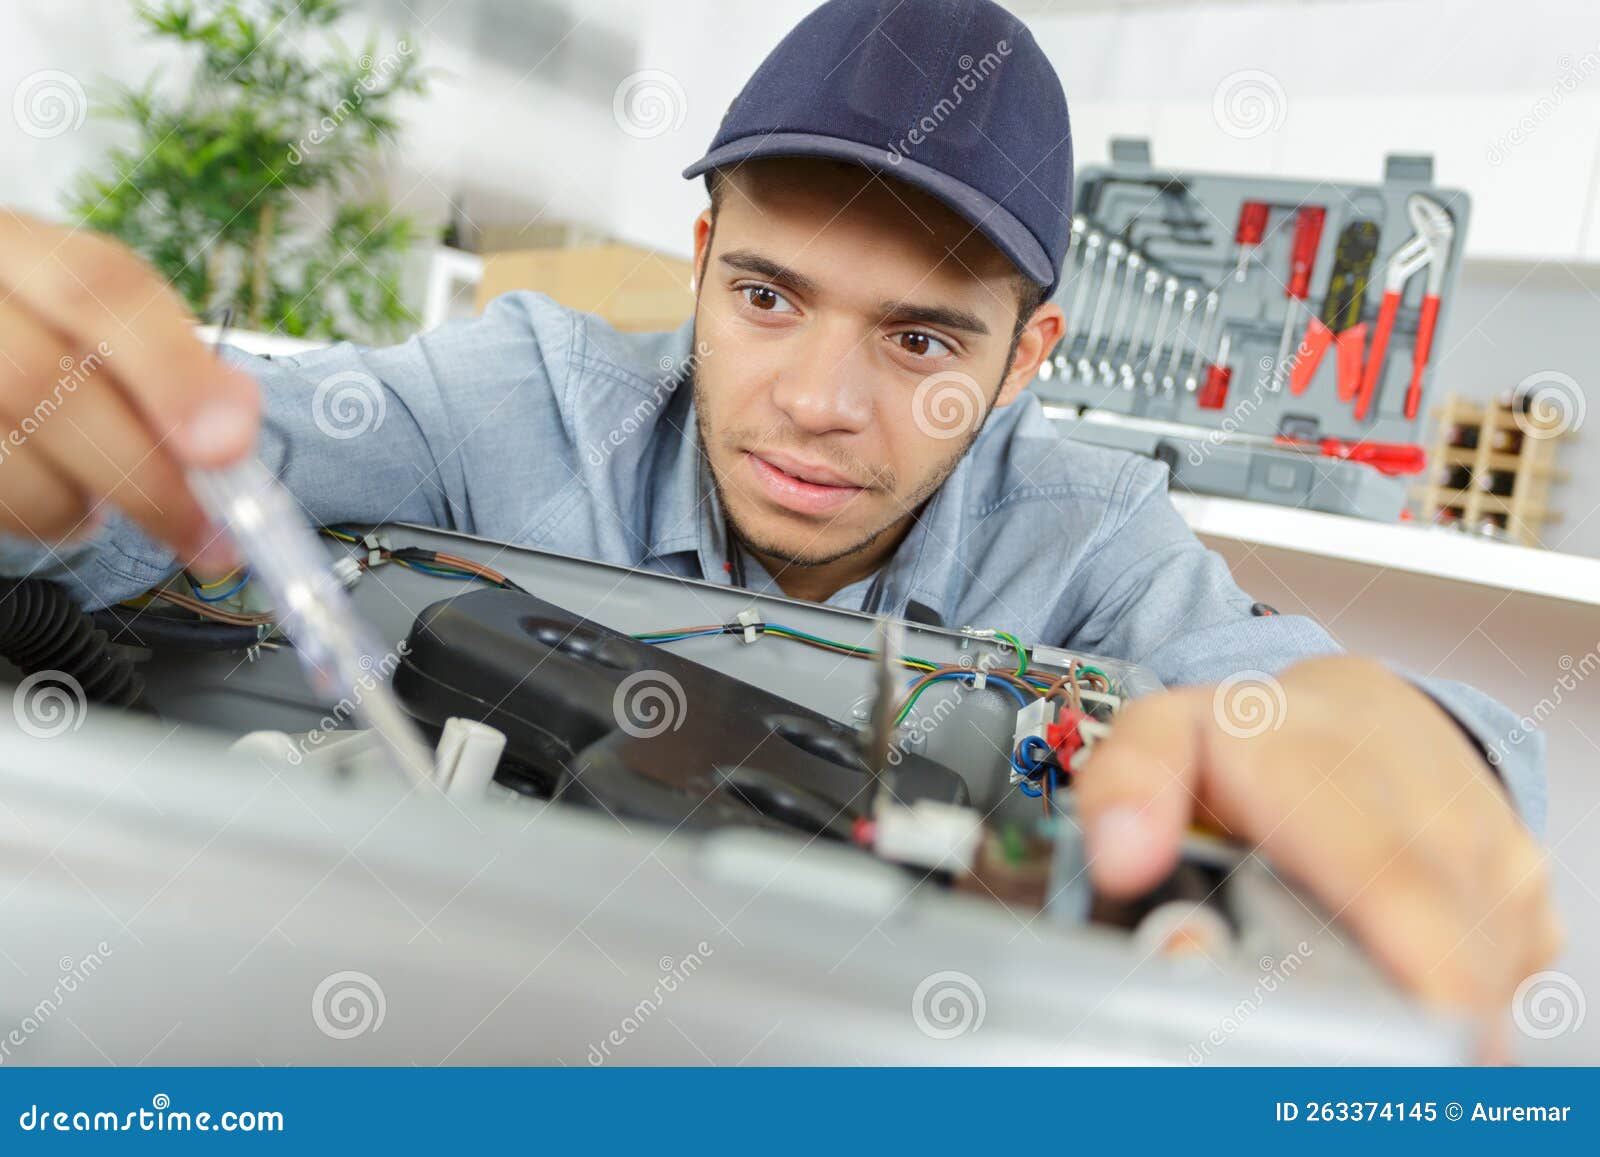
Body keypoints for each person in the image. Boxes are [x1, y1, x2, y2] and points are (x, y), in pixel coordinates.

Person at [0, 0, 1557, 1041]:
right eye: (765, 296)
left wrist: (1421, 744)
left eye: (923, 341)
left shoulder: (1087, 534)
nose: (820, 399)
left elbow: (1380, 733)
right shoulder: (521, 393)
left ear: (1030, 358)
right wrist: (49, 453)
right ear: (698, 260)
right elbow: (163, 485)